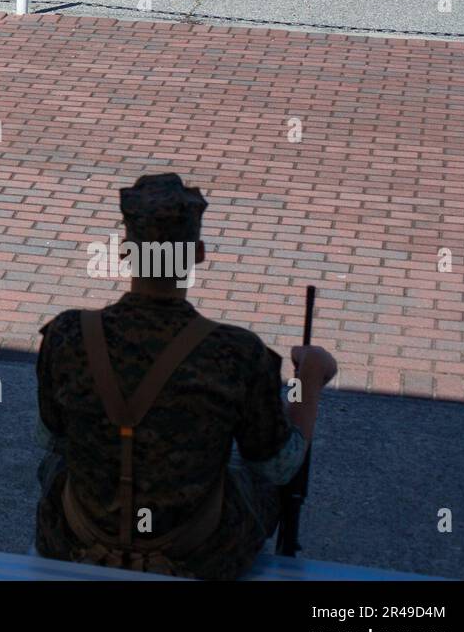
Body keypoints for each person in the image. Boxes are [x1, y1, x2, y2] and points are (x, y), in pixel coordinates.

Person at [35, 173, 337, 580]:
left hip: (73, 543)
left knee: (57, 462)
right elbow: (278, 467)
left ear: (126, 251)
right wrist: (309, 384)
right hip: (200, 558)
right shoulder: (236, 352)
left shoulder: (67, 334)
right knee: (251, 477)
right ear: (197, 254)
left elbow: (50, 438)